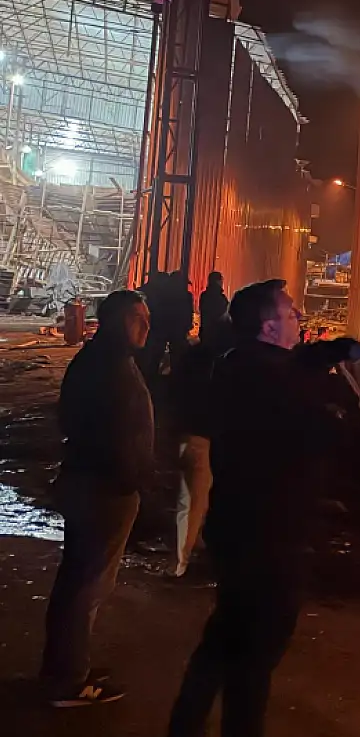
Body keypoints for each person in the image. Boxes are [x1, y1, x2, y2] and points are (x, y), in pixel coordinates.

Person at [166, 279, 360, 737]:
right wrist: (351, 424)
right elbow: (318, 432)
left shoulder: (243, 363)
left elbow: (296, 362)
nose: (299, 318)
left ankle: (185, 723)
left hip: (241, 522)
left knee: (226, 633)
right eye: (292, 312)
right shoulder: (269, 380)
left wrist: (336, 350)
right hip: (268, 530)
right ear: (268, 325)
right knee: (257, 647)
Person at [39, 289, 152, 706]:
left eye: (147, 316)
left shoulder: (105, 360)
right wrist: (132, 477)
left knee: (79, 581)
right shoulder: (108, 367)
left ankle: (65, 667)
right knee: (87, 586)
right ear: (114, 321)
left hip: (95, 483)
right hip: (104, 489)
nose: (146, 325)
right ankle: (68, 680)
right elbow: (113, 435)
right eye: (137, 317)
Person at [171, 338, 219, 578]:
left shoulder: (193, 357)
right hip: (199, 438)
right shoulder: (216, 362)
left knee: (194, 500)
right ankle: (181, 564)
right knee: (192, 502)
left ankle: (189, 552)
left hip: (191, 435)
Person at [198, 272, 230, 350]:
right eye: (221, 280)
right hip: (217, 333)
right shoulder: (221, 298)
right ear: (217, 281)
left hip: (205, 331)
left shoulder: (204, 295)